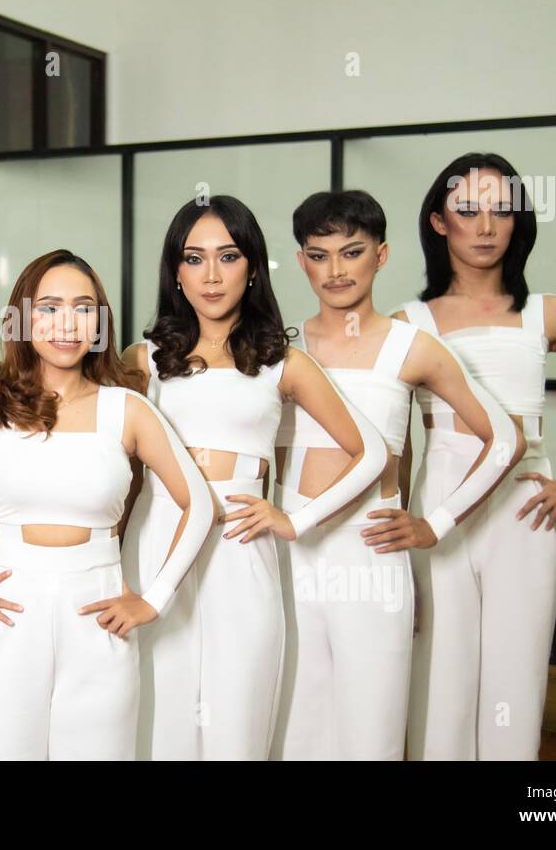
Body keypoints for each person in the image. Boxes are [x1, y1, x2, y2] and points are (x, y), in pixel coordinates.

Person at [0, 250, 214, 760]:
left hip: (97, 609)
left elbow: (200, 505)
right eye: (49, 307)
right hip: (8, 610)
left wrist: (155, 598)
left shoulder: (127, 408)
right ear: (22, 317)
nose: (66, 324)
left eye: (82, 308)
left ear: (99, 321)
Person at [398, 153, 556, 760]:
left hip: (523, 517)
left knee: (516, 690)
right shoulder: (409, 322)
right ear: (438, 222)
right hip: (438, 517)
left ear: (519, 221)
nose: (485, 226)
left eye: (502, 209)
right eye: (467, 210)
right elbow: (395, 448)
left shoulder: (548, 313)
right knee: (439, 693)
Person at [119, 195, 388, 761]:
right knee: (157, 716)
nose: (212, 276)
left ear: (254, 267)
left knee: (237, 720)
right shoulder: (143, 360)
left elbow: (370, 452)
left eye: (229, 256)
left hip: (240, 545)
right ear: (175, 272)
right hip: (156, 539)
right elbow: (108, 465)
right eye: (194, 259)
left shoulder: (281, 361)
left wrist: (294, 519)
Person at [270, 189, 520, 760]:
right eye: (318, 254)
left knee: (373, 730)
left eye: (351, 252)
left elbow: (503, 437)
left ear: (381, 256)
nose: (335, 270)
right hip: (291, 555)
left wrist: (436, 524)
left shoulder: (414, 347)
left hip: (371, 552)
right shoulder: (277, 347)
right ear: (302, 259)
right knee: (294, 727)